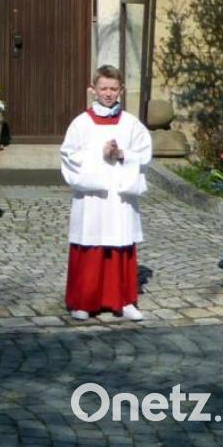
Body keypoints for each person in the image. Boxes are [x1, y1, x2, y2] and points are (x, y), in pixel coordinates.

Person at [59, 65, 151, 322]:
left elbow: (144, 154)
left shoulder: (131, 124)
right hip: (93, 198)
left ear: (120, 90)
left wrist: (122, 154)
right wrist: (100, 155)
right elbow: (69, 157)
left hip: (119, 198)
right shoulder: (81, 123)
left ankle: (124, 299)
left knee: (120, 243)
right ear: (93, 90)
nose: (108, 93)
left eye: (113, 88)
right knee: (90, 242)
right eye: (103, 88)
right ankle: (83, 301)